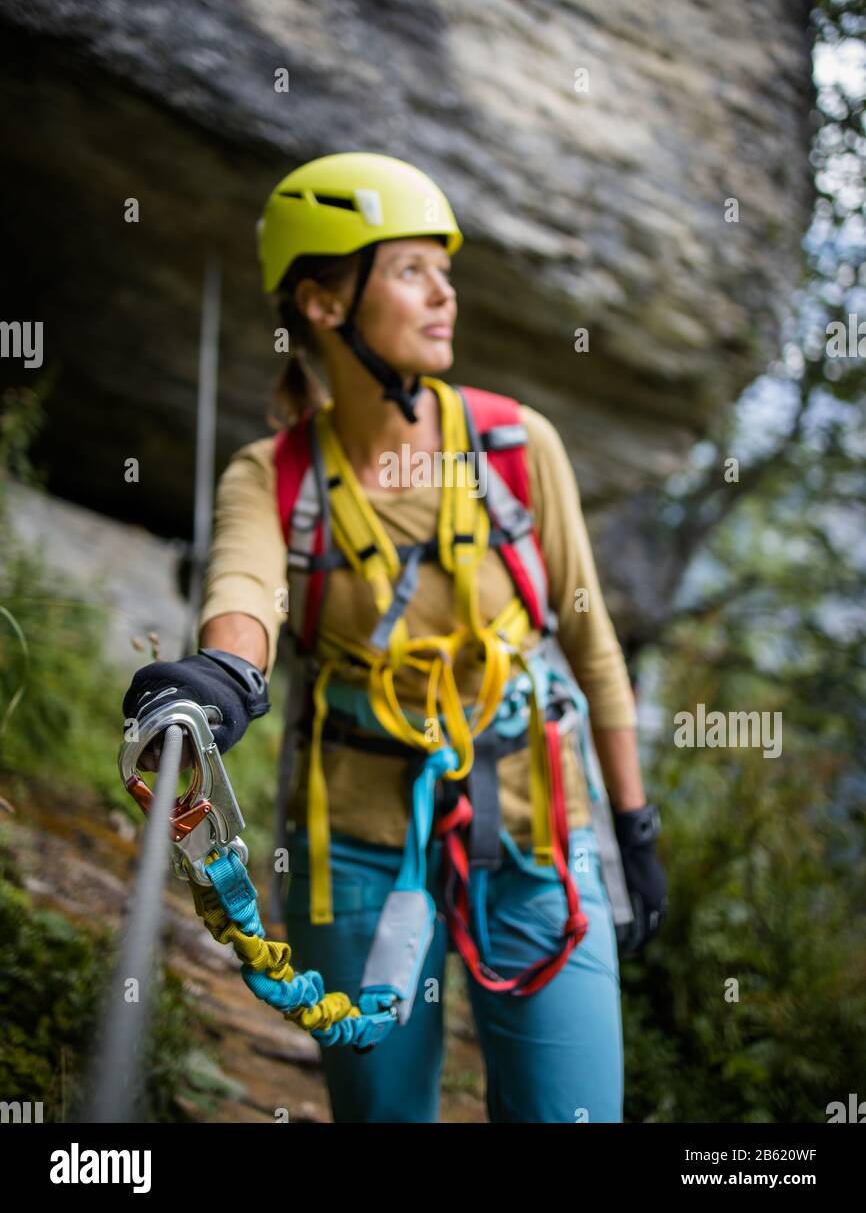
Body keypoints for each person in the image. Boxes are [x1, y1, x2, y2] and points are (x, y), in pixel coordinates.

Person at [123, 151, 667, 1124]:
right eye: (411, 268)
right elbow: (244, 590)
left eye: (443, 270)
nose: (443, 293)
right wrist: (216, 676)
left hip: (539, 823)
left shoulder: (512, 444)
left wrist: (632, 826)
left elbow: (588, 644)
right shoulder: (276, 476)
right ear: (325, 303)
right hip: (354, 845)